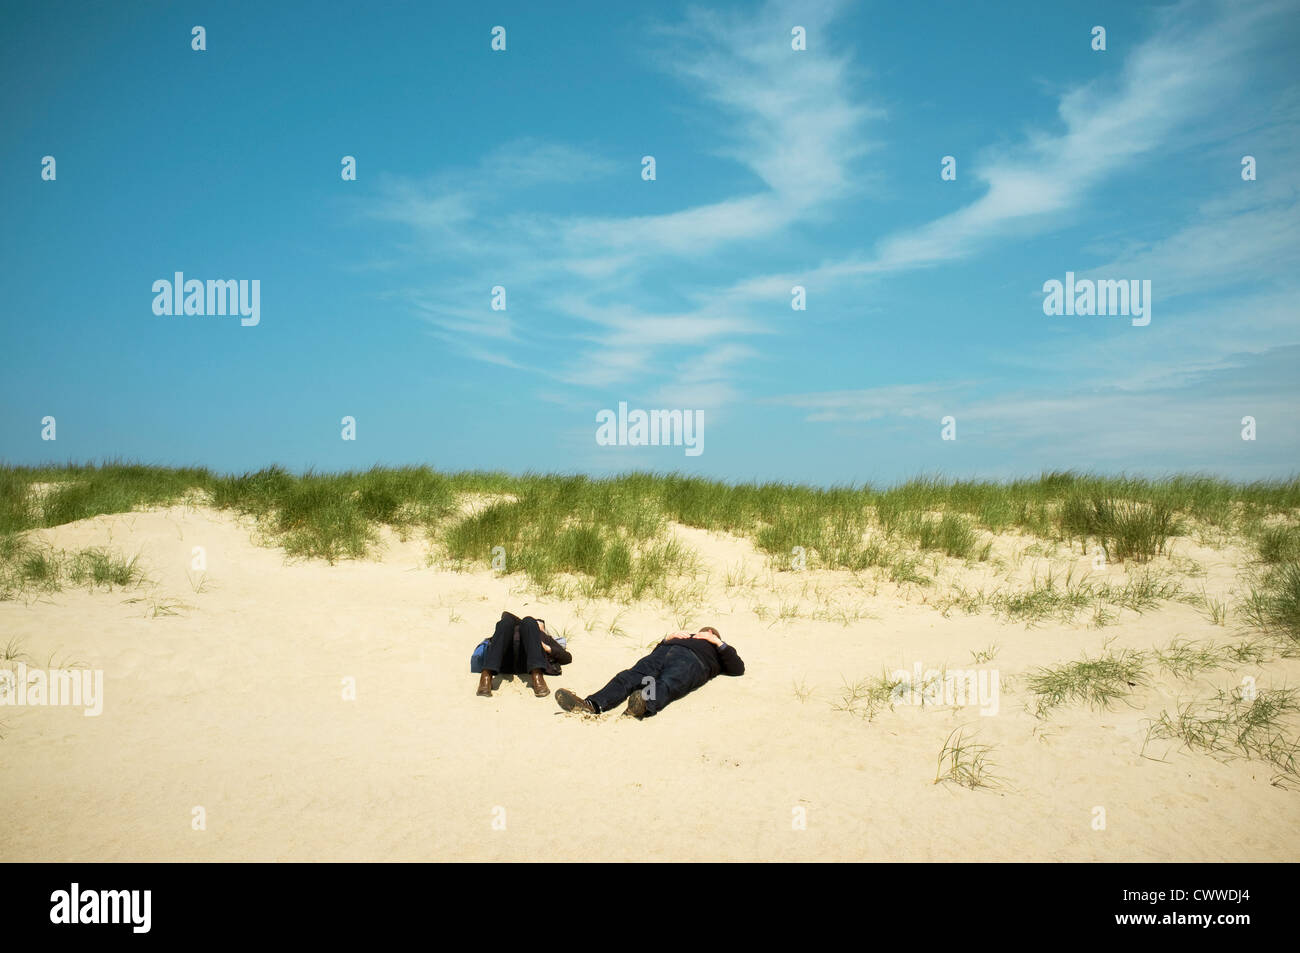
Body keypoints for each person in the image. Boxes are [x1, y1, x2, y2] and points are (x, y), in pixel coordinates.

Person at [554, 626, 743, 719]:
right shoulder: (685, 636)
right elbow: (654, 652)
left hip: (693, 660)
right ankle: (591, 704)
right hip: (663, 653)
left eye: (709, 632)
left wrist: (716, 641)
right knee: (630, 676)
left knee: (666, 682)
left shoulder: (718, 651)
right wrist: (666, 639)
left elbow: (738, 668)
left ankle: (642, 703)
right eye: (703, 631)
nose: (703, 632)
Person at [477, 611, 571, 698]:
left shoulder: (544, 637)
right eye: (537, 623)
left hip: (529, 663)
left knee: (528, 620)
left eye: (539, 623)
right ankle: (486, 678)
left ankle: (537, 677)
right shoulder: (507, 629)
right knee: (506, 622)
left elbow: (567, 657)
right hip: (504, 661)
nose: (538, 624)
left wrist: (546, 647)